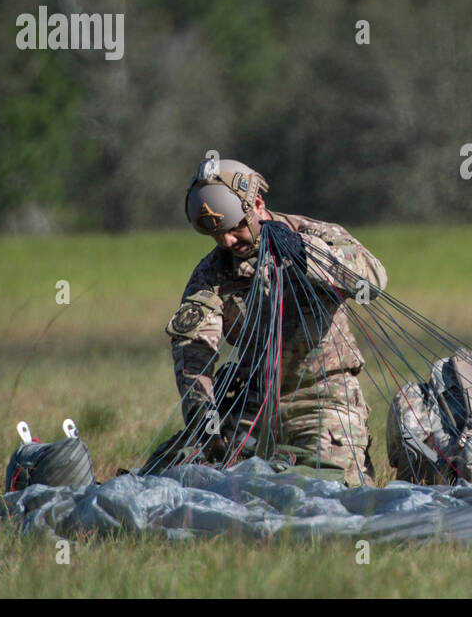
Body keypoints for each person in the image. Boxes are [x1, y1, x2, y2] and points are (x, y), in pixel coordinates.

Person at [165, 157, 386, 486]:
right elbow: (193, 349)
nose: (228, 242)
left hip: (324, 401)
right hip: (253, 403)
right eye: (217, 235)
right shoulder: (213, 274)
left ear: (256, 204)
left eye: (236, 227)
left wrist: (305, 255)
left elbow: (373, 282)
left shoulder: (314, 235)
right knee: (212, 488)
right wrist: (203, 419)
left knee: (332, 494)